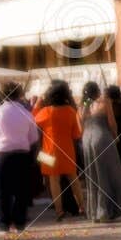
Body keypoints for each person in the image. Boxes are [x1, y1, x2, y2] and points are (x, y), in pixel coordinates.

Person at [0, 81, 39, 236]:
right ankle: (19, 222)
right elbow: (33, 137)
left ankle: (2, 223)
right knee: (21, 190)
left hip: (1, 154)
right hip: (22, 154)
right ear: (19, 94)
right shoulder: (27, 113)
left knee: (1, 190)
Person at [79, 81, 121, 223]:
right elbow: (112, 122)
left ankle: (95, 211)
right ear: (97, 91)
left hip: (87, 140)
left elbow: (81, 127)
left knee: (93, 175)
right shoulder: (104, 101)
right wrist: (116, 136)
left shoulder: (82, 107)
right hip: (102, 137)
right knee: (109, 173)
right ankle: (106, 210)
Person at [32, 80, 84, 221]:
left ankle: (59, 211)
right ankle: (82, 206)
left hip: (49, 151)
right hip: (68, 149)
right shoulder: (71, 111)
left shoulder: (46, 112)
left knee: (53, 182)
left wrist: (38, 102)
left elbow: (33, 120)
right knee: (74, 179)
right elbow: (77, 134)